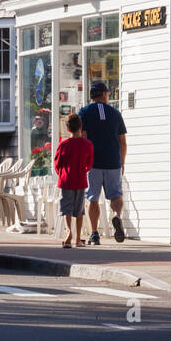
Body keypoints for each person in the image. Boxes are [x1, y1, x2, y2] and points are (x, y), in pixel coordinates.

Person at [77, 81, 128, 244]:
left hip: (92, 162)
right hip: (113, 160)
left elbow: (83, 136)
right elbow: (123, 141)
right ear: (105, 94)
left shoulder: (84, 112)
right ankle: (116, 216)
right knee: (116, 195)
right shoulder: (115, 113)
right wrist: (122, 162)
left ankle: (94, 233)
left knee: (92, 198)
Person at [53, 113, 94, 247]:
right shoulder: (87, 144)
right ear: (80, 127)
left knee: (67, 209)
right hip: (80, 180)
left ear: (67, 128)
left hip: (66, 180)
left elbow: (57, 163)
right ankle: (77, 239)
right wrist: (83, 170)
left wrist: (61, 174)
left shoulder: (63, 144)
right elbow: (89, 163)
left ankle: (68, 233)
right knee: (79, 210)